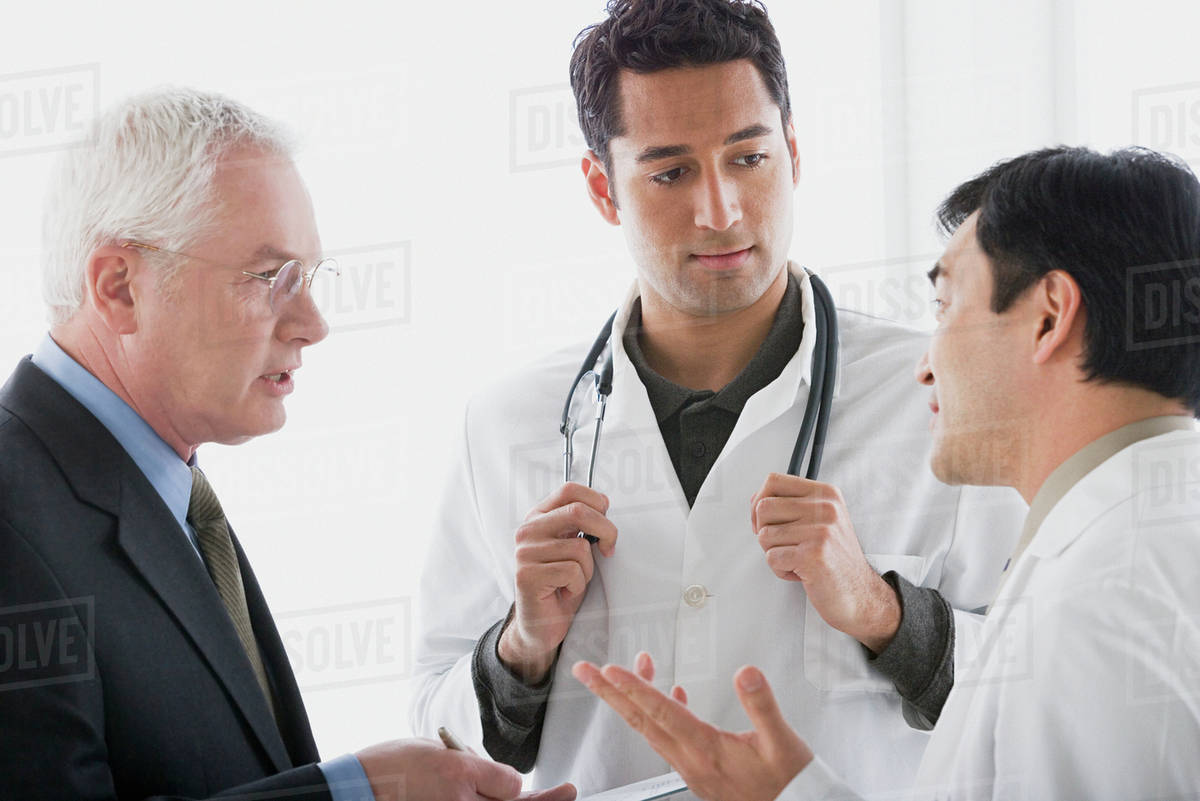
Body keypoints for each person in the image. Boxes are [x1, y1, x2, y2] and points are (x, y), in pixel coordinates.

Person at [410, 0, 1023, 796]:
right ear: (603, 188)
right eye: (670, 172)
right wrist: (521, 645)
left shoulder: (941, 396)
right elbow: (432, 729)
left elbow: (1044, 696)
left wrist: (882, 612)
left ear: (794, 153)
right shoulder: (505, 427)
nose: (721, 210)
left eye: (748, 158)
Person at [574, 145, 1200, 800]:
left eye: (947, 303)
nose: (924, 366)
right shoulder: (1127, 552)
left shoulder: (1108, 599)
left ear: (1048, 316)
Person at [0, 88, 574, 801]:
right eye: (271, 277)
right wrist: (359, 792)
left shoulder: (166, 493)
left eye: (310, 277)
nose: (312, 322)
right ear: (120, 287)